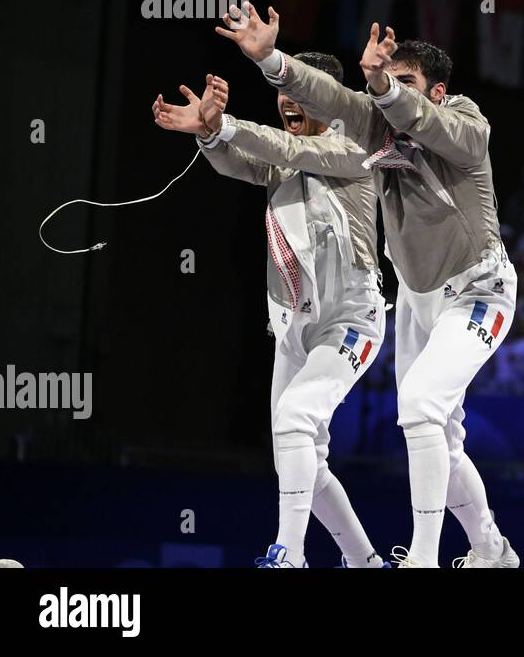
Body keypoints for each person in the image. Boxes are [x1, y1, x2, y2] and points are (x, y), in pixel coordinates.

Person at [217, 3, 520, 569]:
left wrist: (385, 88)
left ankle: (423, 558)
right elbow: (332, 99)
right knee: (438, 438)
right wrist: (271, 61)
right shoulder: (375, 124)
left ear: (437, 91)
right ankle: (491, 548)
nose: (391, 92)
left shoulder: (465, 122)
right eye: (387, 79)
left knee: (422, 405)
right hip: (415, 300)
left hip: (479, 290)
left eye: (407, 83)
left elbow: (433, 128)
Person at [152, 62, 389, 568]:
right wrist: (209, 134)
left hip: (350, 320)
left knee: (296, 419)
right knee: (296, 454)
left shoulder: (354, 150)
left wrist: (226, 123)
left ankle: (291, 555)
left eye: (298, 92)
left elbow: (285, 149)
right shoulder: (283, 157)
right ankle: (365, 561)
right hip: (295, 328)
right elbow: (238, 162)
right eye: (281, 92)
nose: (288, 102)